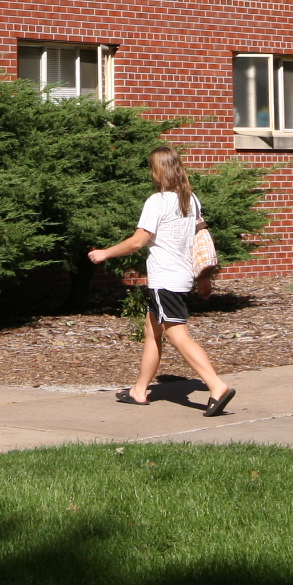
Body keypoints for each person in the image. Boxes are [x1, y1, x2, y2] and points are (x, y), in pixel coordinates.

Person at [87, 148, 236, 416]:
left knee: (178, 336)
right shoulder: (191, 200)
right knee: (152, 332)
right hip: (180, 278)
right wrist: (204, 278)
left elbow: (137, 241)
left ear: (156, 171)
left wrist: (105, 253)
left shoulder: (157, 202)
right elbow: (201, 241)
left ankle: (216, 385)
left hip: (164, 280)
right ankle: (139, 390)